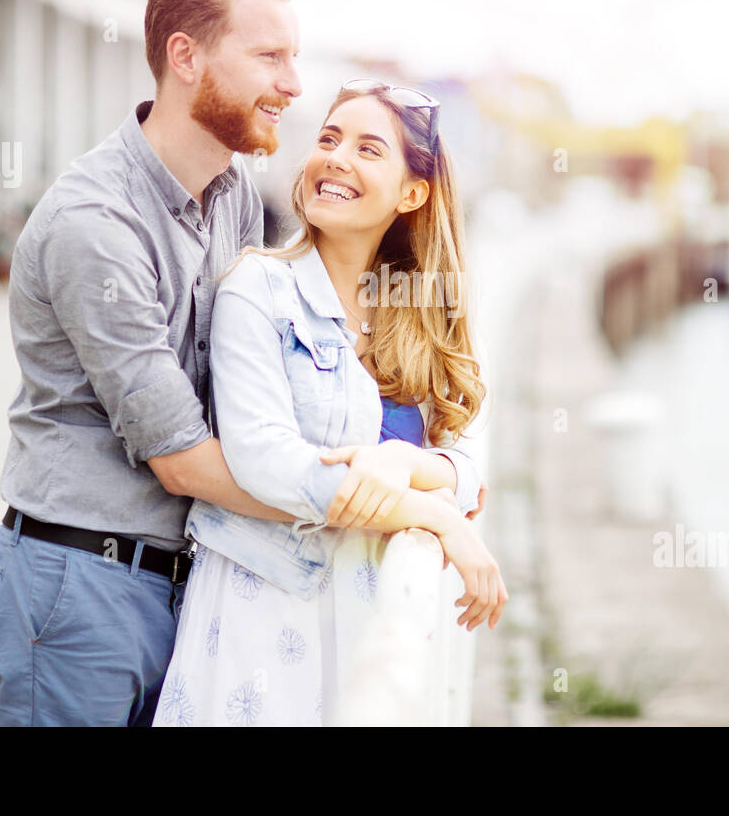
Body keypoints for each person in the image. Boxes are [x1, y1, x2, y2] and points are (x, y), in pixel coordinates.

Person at [0, 0, 399, 726]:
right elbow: (182, 461)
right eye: (270, 56)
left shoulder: (233, 196)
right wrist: (377, 509)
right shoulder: (96, 225)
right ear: (186, 57)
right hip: (78, 591)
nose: (293, 85)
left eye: (294, 58)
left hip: (185, 584)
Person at [154, 80, 506, 727]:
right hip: (259, 623)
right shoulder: (258, 288)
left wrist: (404, 466)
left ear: (412, 193)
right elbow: (267, 461)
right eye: (328, 139)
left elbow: (467, 462)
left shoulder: (412, 314)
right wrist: (439, 518)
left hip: (362, 619)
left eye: (369, 148)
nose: (336, 158)